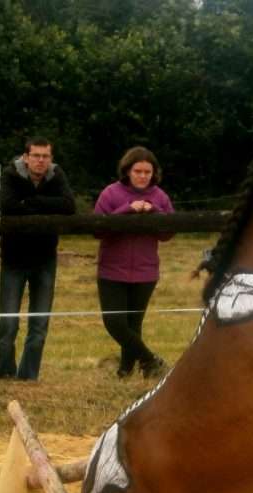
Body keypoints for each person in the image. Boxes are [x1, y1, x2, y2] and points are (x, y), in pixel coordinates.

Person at [0, 137, 75, 380]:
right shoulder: (10, 174)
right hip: (13, 258)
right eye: (36, 156)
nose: (41, 161)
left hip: (45, 258)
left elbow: (69, 206)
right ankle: (3, 372)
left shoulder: (56, 175)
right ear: (26, 157)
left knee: (39, 324)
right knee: (9, 322)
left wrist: (31, 202)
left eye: (45, 156)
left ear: (51, 158)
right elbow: (7, 206)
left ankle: (28, 376)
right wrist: (48, 208)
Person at [93, 146, 173, 378]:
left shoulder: (160, 197)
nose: (143, 176)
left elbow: (168, 233)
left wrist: (154, 211)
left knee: (134, 323)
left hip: (146, 272)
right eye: (138, 171)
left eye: (147, 172)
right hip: (111, 270)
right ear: (127, 171)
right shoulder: (110, 194)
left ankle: (125, 371)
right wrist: (127, 210)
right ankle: (150, 360)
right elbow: (97, 230)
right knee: (114, 322)